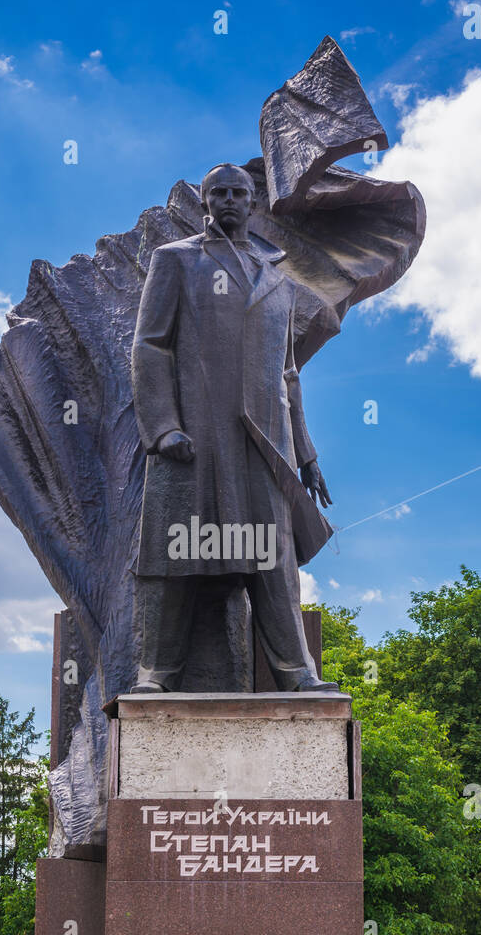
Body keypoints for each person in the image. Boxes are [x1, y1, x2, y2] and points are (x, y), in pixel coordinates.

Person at [128, 162, 338, 694]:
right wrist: (162, 428)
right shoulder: (175, 260)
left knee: (273, 555)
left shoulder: (279, 278)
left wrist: (306, 453)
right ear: (204, 202)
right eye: (216, 192)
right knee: (177, 551)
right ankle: (156, 673)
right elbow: (150, 344)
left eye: (237, 193)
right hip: (195, 433)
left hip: (265, 440)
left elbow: (288, 372)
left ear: (252, 203)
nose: (227, 200)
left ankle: (297, 673)